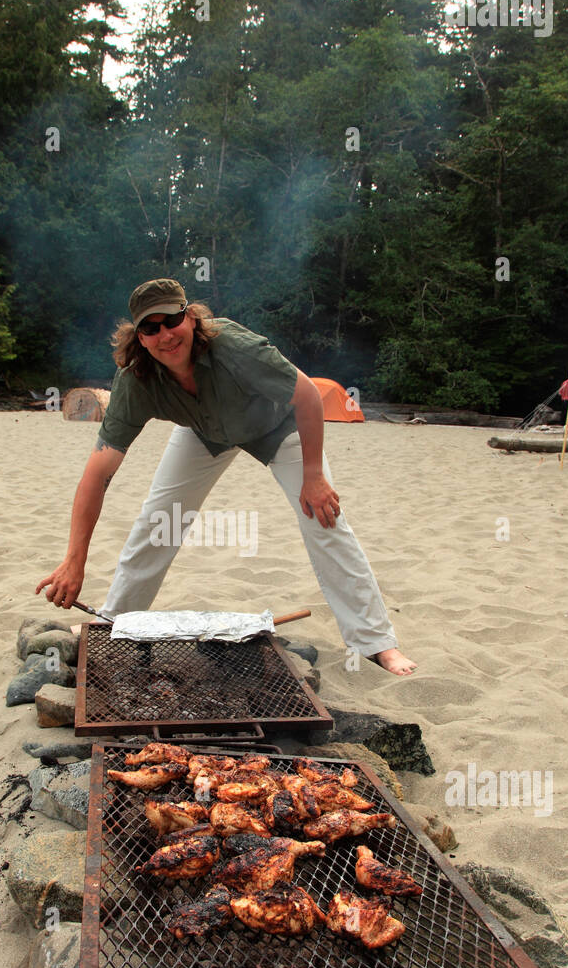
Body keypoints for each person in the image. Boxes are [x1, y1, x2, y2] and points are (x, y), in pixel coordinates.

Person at [36, 279, 416, 676]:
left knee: (324, 519)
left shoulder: (234, 346)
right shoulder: (136, 379)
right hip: (204, 431)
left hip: (277, 426)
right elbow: (97, 474)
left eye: (173, 320)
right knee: (158, 522)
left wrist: (314, 475)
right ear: (140, 338)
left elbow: (307, 396)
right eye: (152, 328)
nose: (166, 335)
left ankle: (376, 643)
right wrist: (73, 562)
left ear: (191, 318)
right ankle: (116, 622)